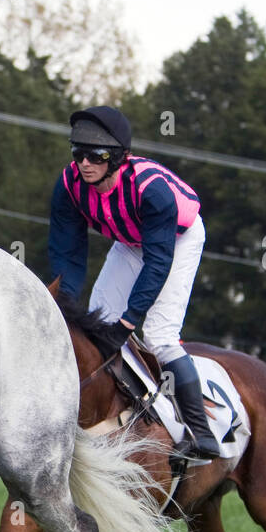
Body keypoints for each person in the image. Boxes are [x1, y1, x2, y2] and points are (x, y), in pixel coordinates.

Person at [47, 105, 219, 460]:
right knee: (98, 323)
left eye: (96, 155)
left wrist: (128, 324)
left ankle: (201, 433)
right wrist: (63, 305)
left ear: (119, 158)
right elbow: (69, 252)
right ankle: (119, 409)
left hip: (176, 239)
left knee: (158, 335)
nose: (84, 163)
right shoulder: (69, 186)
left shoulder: (151, 189)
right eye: (78, 153)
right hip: (130, 241)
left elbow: (157, 263)